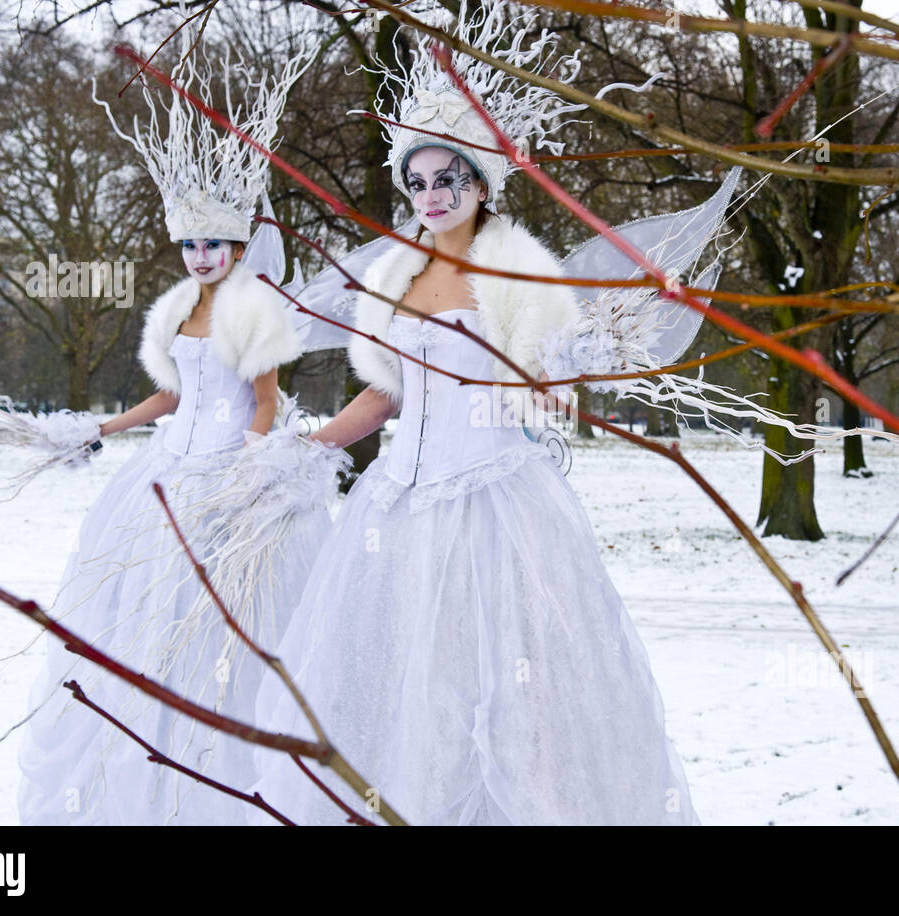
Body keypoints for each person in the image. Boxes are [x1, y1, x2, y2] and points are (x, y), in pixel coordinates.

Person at [248, 3, 699, 825]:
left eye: (446, 179)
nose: (430, 195)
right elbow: (389, 390)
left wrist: (565, 360)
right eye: (416, 182)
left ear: (481, 183)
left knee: (505, 685)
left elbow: (543, 385)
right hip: (396, 507)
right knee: (395, 680)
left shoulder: (518, 275)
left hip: (496, 504)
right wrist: (312, 447)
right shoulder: (393, 278)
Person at [15, 44, 342, 825]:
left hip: (228, 480)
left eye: (215, 245)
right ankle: (137, 769)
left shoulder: (251, 309)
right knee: (142, 611)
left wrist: (252, 473)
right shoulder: (179, 311)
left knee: (217, 627)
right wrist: (101, 425)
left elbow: (264, 401)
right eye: (191, 246)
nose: (202, 257)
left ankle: (219, 775)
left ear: (238, 247)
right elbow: (172, 395)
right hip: (164, 477)